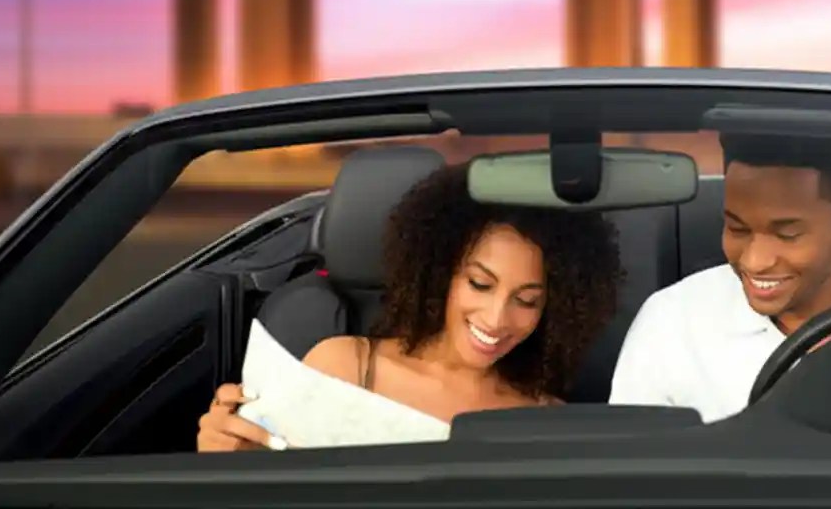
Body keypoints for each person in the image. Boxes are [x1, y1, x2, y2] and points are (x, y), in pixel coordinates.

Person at [198, 161, 624, 451]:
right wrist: (226, 453)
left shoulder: (548, 421)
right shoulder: (345, 367)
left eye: (526, 300)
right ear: (440, 272)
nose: (497, 319)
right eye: (479, 284)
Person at [608, 132, 831, 423]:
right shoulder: (672, 322)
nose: (755, 260)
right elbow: (629, 481)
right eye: (737, 229)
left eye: (787, 235)